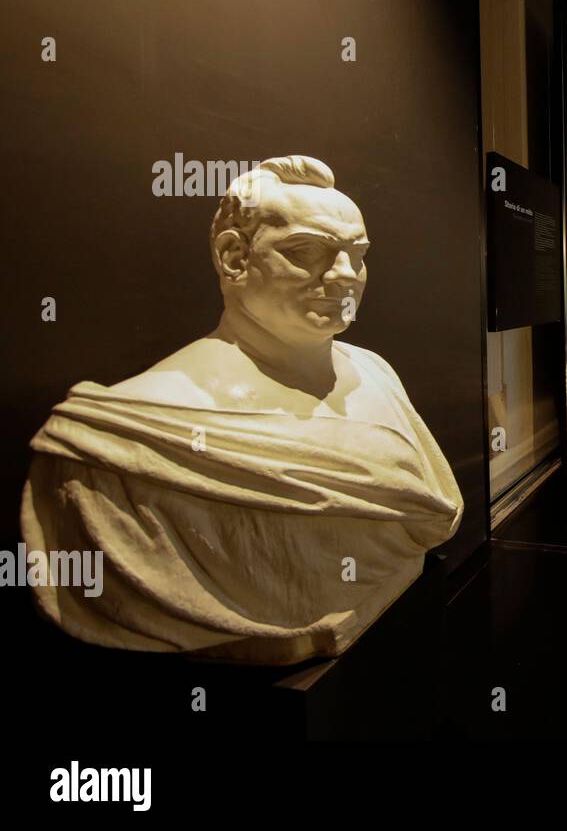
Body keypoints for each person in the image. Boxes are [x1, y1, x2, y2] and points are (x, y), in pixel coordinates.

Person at [19, 156, 465, 664]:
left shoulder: (375, 373)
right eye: (308, 252)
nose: (345, 276)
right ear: (234, 257)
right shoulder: (122, 444)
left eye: (356, 256)